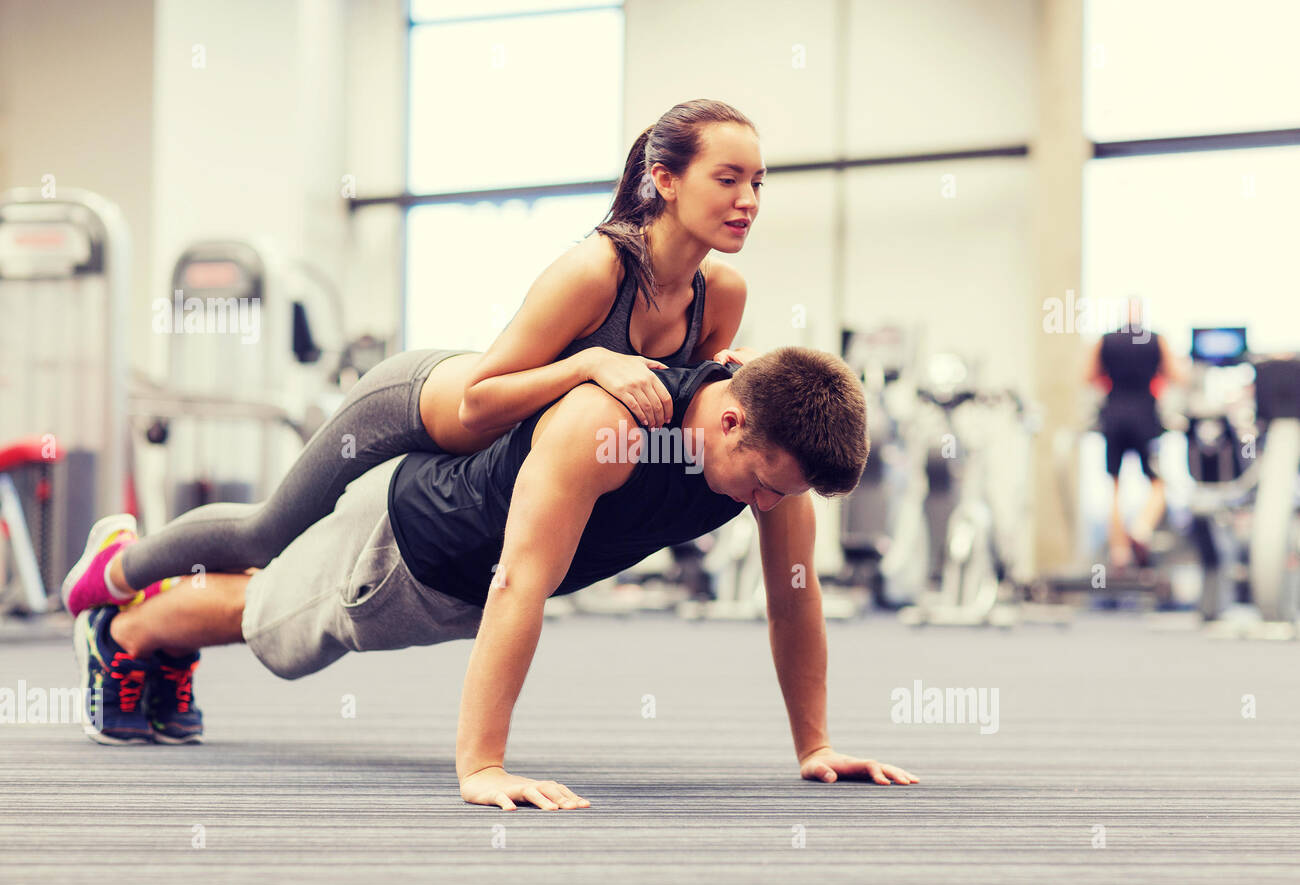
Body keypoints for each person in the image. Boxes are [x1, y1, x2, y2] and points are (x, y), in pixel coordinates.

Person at [62, 99, 765, 737]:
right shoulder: (596, 271)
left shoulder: (720, 295)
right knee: (264, 532)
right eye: (728, 178)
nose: (747, 200)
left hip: (481, 451)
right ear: (665, 181)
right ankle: (115, 567)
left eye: (758, 183)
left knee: (281, 557)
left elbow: (678, 408)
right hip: (414, 404)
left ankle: (151, 621)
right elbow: (479, 400)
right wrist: (589, 365)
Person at [73, 347, 918, 807]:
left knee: (275, 611)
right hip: (408, 548)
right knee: (271, 624)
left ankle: (142, 625)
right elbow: (520, 585)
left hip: (472, 582)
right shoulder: (610, 426)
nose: (770, 504)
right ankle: (123, 630)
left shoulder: (771, 470)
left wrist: (815, 745)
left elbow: (794, 605)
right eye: (765, 482)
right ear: (730, 416)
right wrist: (482, 766)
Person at [1084, 297, 1185, 568]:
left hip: (1113, 415)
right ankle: (1140, 529)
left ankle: (1119, 554)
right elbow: (1177, 375)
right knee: (1158, 483)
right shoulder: (1156, 340)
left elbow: (1088, 375)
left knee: (1114, 487)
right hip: (1144, 416)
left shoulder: (1105, 341)